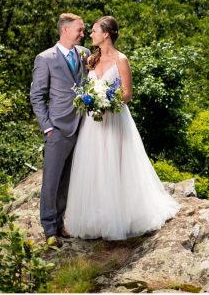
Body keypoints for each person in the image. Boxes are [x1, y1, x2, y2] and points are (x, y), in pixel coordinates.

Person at [63, 16, 179, 240]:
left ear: (106, 34)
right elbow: (87, 87)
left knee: (116, 162)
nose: (91, 34)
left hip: (114, 118)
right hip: (94, 122)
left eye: (94, 30)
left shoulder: (121, 59)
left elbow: (127, 93)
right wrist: (91, 100)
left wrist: (107, 102)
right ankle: (96, 215)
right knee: (95, 164)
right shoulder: (91, 60)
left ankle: (122, 214)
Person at [30, 13, 90, 247]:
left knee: (67, 181)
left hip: (81, 128)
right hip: (56, 129)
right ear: (65, 30)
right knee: (51, 182)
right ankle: (48, 230)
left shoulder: (84, 54)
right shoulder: (45, 58)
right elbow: (36, 96)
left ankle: (60, 223)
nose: (82, 34)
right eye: (80, 30)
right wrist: (47, 127)